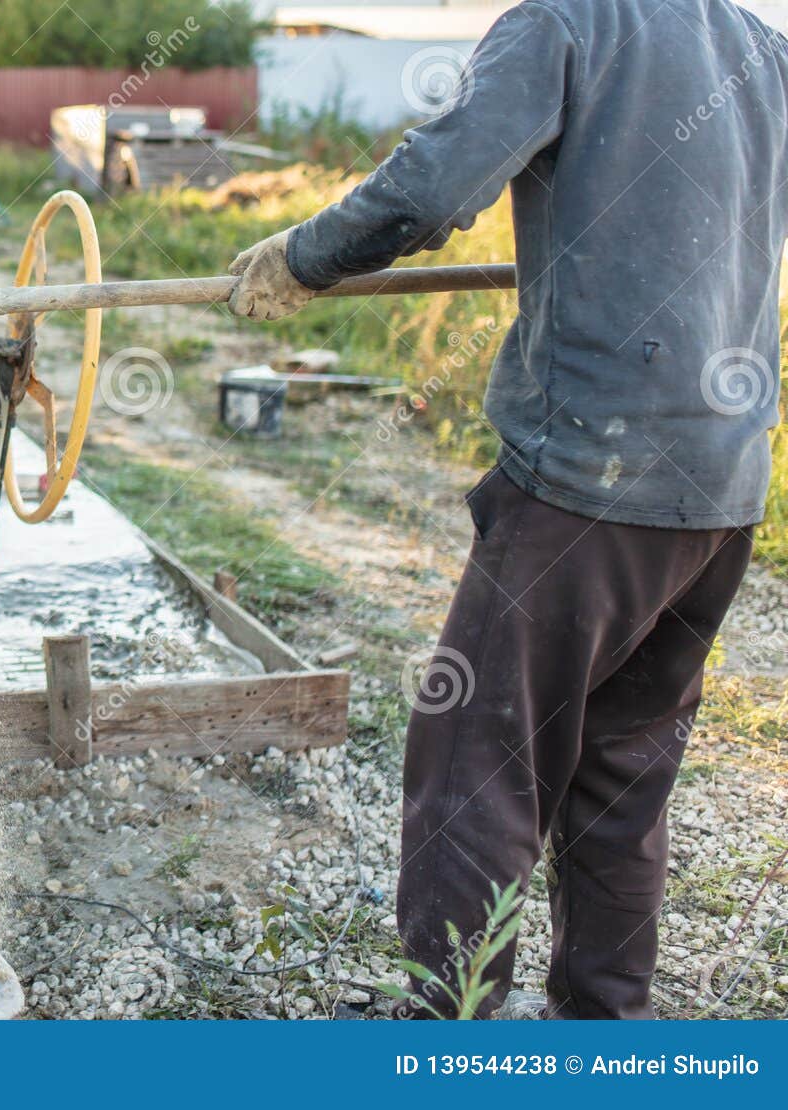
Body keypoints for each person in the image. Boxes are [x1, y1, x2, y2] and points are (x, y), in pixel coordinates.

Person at [228, 0, 785, 1018]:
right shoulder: (759, 45)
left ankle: (449, 1039)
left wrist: (302, 256)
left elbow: (432, 187)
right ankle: (603, 1032)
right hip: (720, 488)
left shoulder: (567, 22)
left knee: (474, 772)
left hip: (588, 483)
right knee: (619, 782)